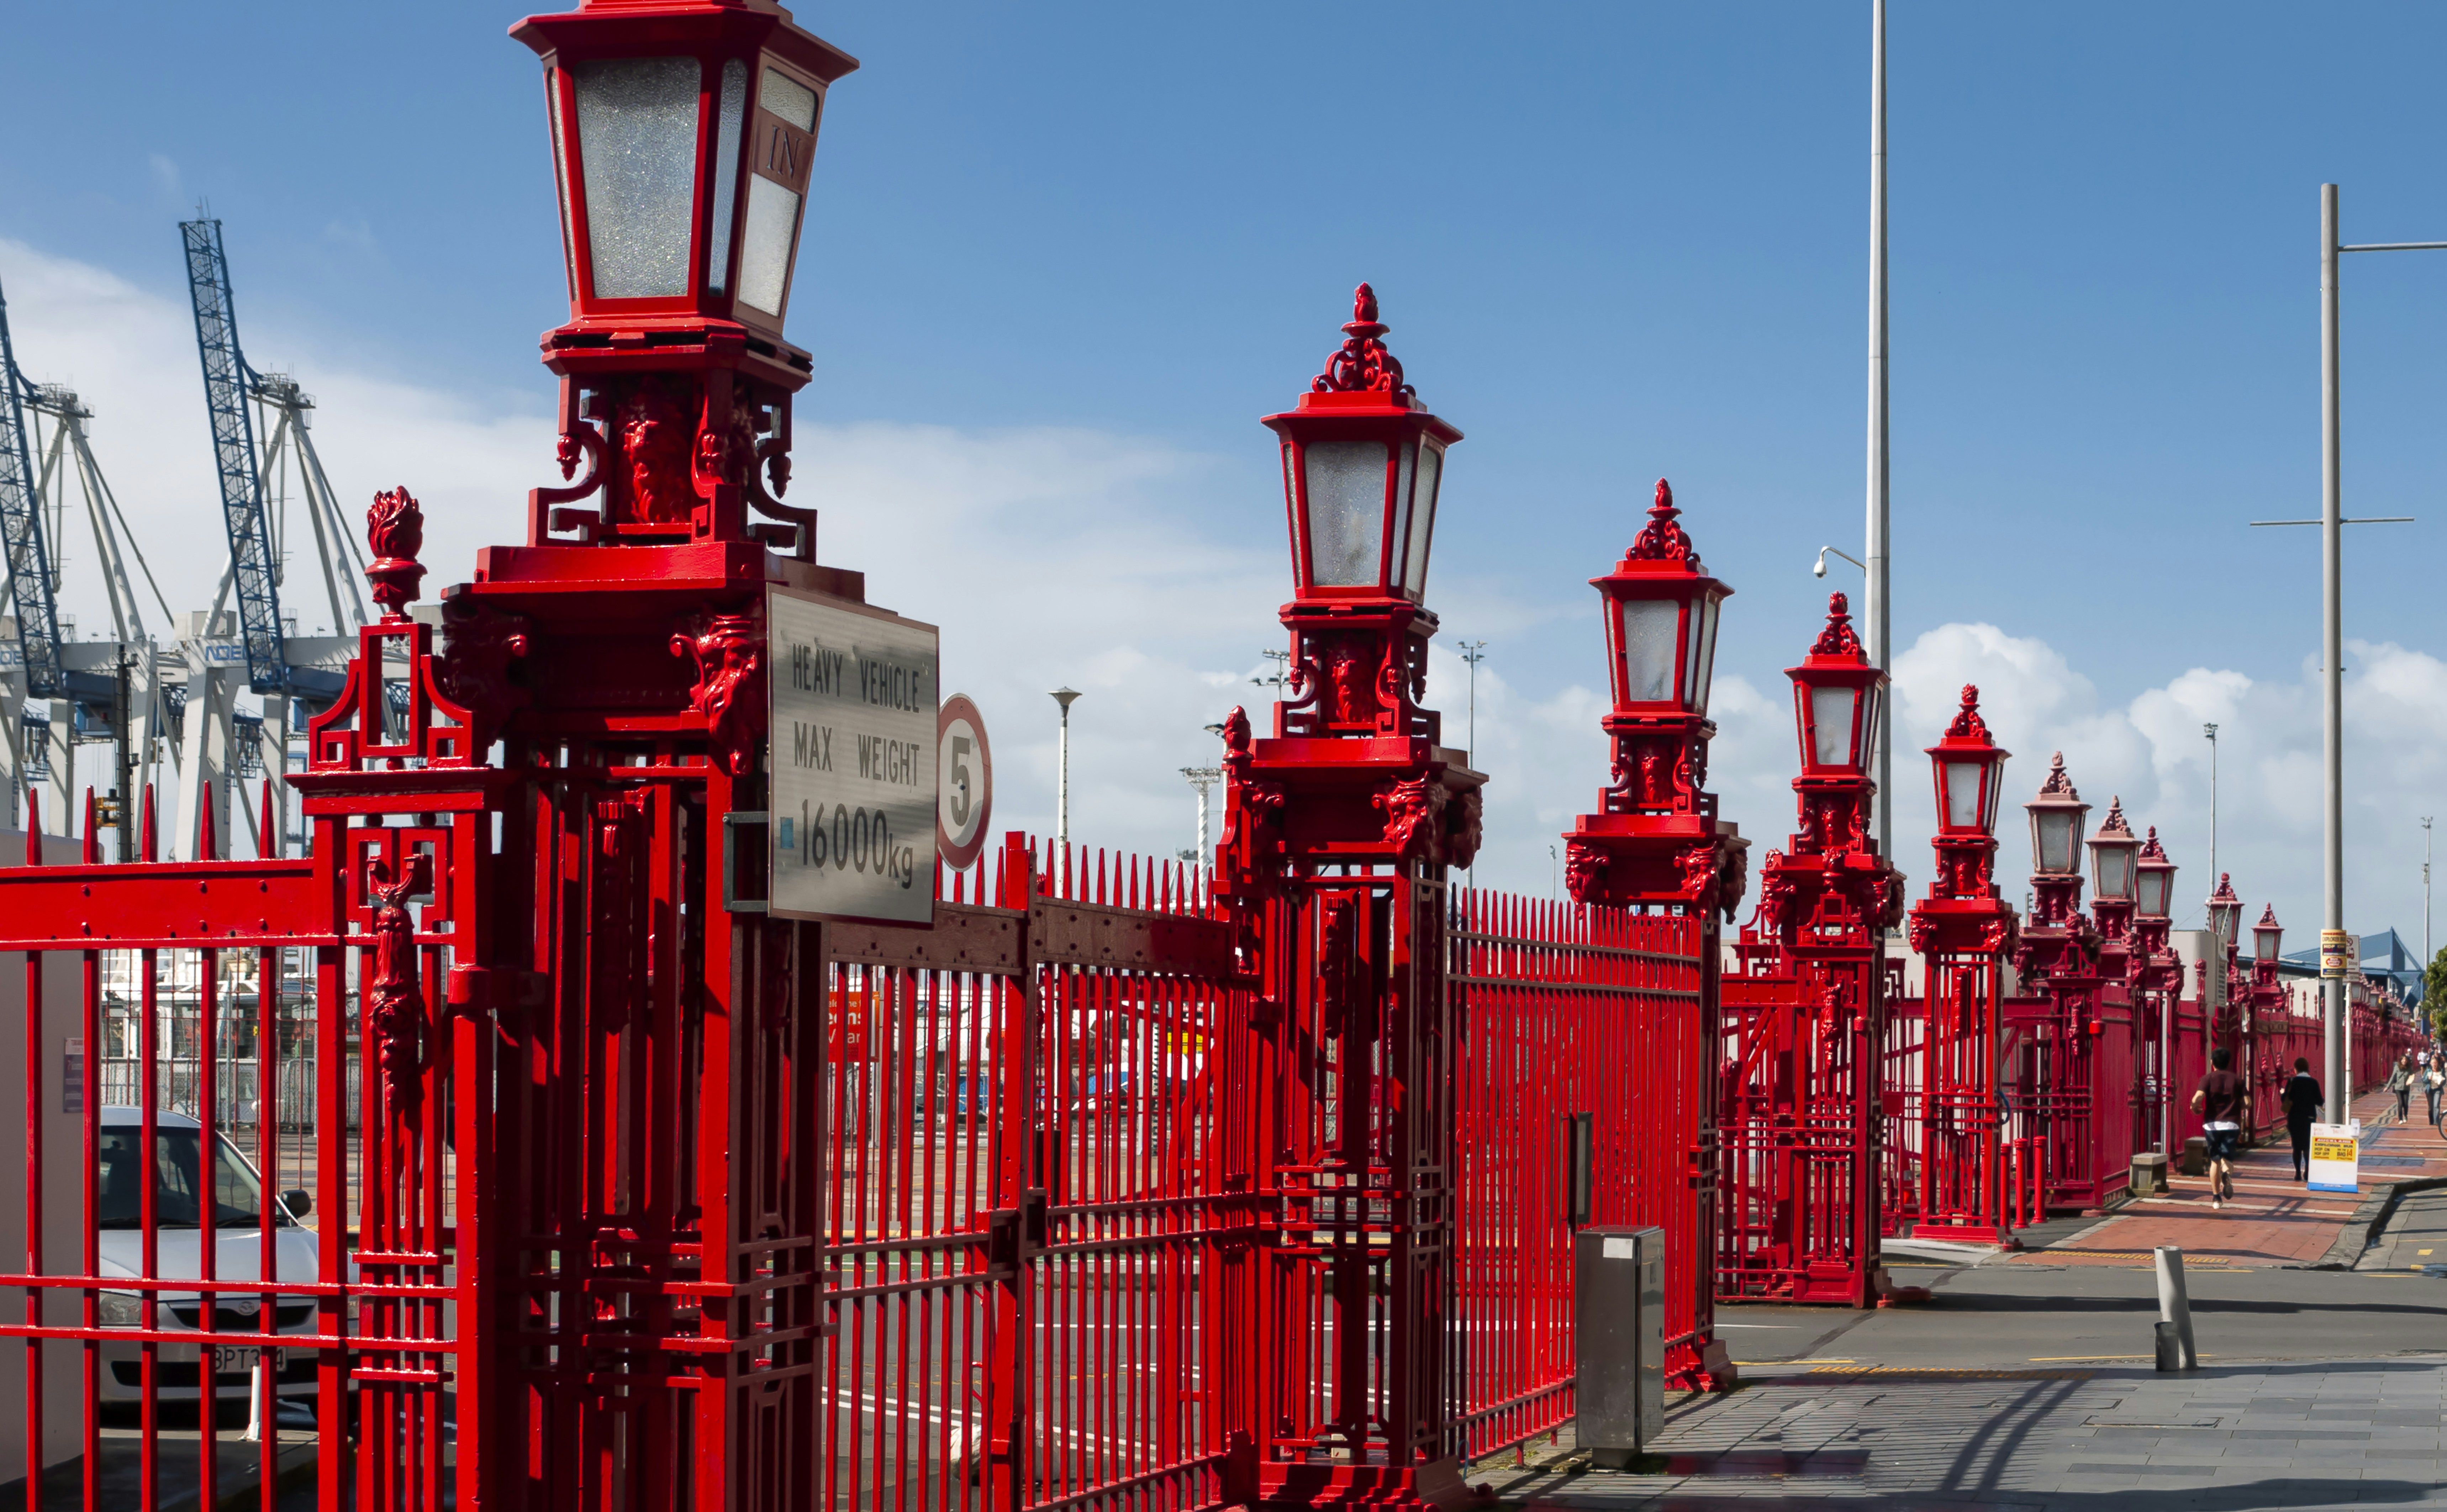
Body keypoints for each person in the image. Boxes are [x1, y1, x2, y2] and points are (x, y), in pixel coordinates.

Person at [2190, 1046, 2247, 1208]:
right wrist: (2238, 1107)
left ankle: (2216, 1198)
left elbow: (2198, 1098)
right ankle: (2227, 1175)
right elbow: (2248, 1103)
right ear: (2228, 1062)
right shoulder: (2237, 1080)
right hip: (2232, 1124)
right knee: (2227, 1159)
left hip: (2212, 1125)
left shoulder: (2207, 1079)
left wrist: (2195, 1107)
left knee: (2214, 1161)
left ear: (2212, 1062)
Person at [2280, 1056, 2322, 1182]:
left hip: (2295, 1118)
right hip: (2309, 1118)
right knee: (2308, 1146)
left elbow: (2285, 1100)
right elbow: (2319, 1101)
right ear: (2308, 1069)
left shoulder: (2292, 1082)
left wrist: (2284, 1093)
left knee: (2296, 1146)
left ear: (2296, 1069)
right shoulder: (2314, 1083)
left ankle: (2298, 1172)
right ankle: (2308, 1171)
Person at [2388, 1054, 2413, 1123]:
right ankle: (2400, 1119)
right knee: (2401, 1103)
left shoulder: (2409, 1068)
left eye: (2405, 1060)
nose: (2404, 1061)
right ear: (2401, 1060)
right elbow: (2393, 1077)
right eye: (2403, 1060)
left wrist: (2410, 1081)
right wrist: (2388, 1087)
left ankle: (2405, 1115)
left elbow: (2412, 1076)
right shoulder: (2397, 1067)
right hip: (2398, 1088)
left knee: (2406, 1104)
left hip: (2406, 1088)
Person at [2427, 1057, 2445, 1128]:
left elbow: (2445, 1079)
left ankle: (2436, 1121)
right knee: (2431, 1107)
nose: (2434, 1065)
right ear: (2431, 1064)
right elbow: (2424, 1080)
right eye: (2433, 1063)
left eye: (2435, 1063)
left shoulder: (2441, 1071)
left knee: (2436, 1105)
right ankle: (2431, 1120)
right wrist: (2428, 1079)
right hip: (2430, 1090)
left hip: (2438, 1089)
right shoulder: (2429, 1071)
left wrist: (2442, 1082)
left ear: (2438, 1064)